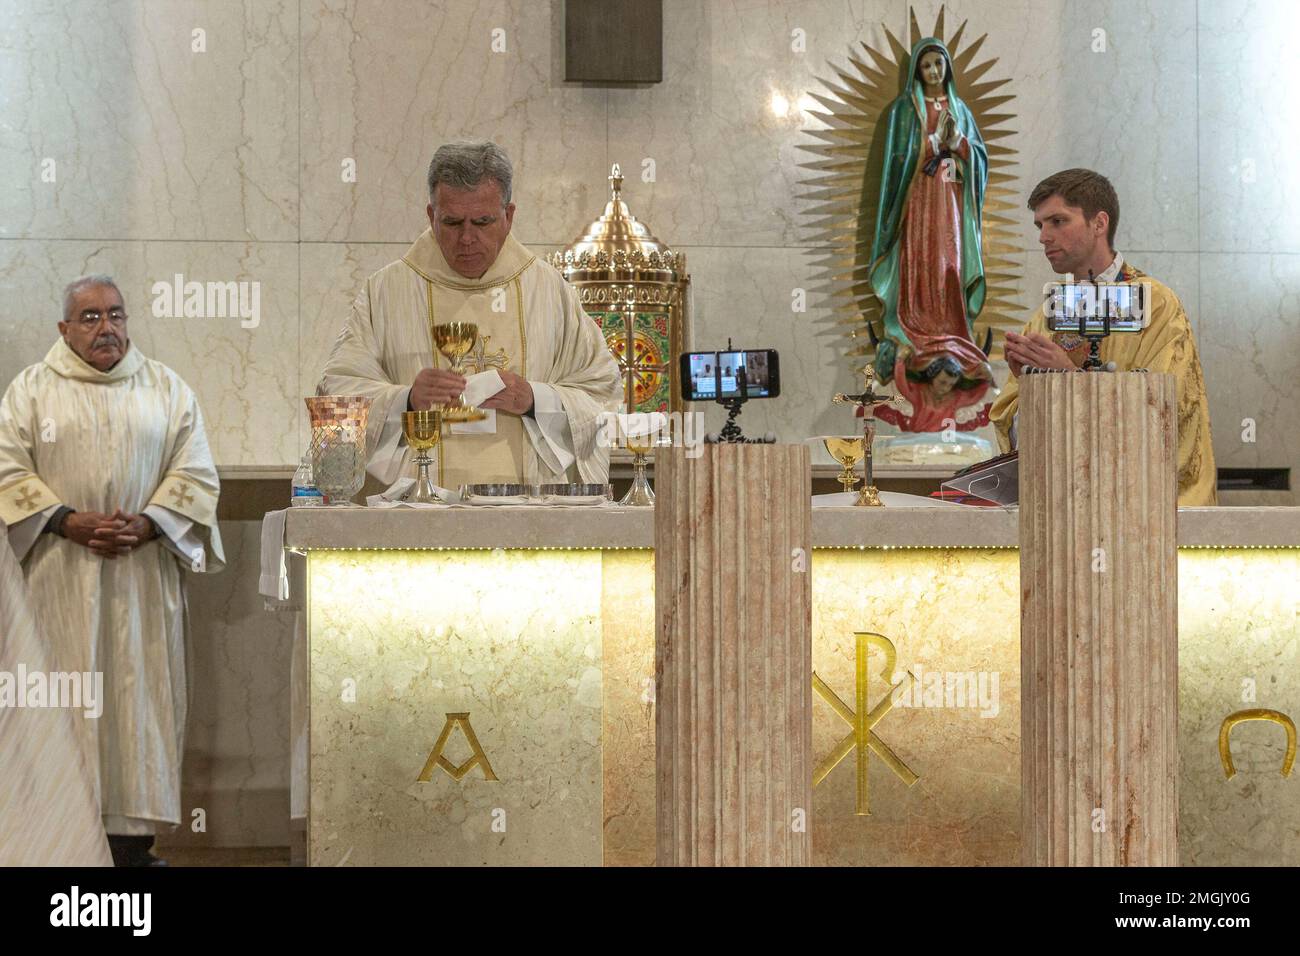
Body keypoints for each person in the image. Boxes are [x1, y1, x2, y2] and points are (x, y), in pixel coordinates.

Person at [0, 275, 225, 865]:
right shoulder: (29, 392)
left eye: (117, 316)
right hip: (55, 580)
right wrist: (62, 520)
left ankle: (131, 849)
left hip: (140, 581)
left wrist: (150, 523)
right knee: (61, 709)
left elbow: (196, 473)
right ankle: (60, 842)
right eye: (92, 317)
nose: (108, 329)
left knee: (137, 711)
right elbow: (6, 471)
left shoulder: (168, 389)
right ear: (64, 329)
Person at [319, 141, 622, 489]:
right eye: (452, 222)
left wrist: (535, 398)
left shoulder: (548, 290)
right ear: (431, 216)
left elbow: (603, 392)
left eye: (482, 221)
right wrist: (408, 400)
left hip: (530, 516)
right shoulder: (386, 291)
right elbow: (336, 397)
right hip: (417, 518)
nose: (466, 238)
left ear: (508, 216)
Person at [989, 169, 1217, 505]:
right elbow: (1010, 421)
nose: (1043, 237)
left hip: (1140, 510)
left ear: (1099, 224)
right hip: (1063, 507)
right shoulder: (1048, 316)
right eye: (1040, 226)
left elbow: (1166, 413)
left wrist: (1069, 379)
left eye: (1058, 221)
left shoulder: (1155, 304)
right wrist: (1031, 386)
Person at [865, 37, 993, 434]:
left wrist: (959, 145)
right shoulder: (907, 111)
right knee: (920, 264)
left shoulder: (961, 110)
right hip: (918, 203)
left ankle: (952, 330)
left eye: (939, 65)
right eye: (927, 66)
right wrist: (929, 145)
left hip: (951, 206)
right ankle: (917, 326)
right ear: (917, 72)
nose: (934, 72)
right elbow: (896, 163)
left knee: (950, 264)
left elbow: (980, 161)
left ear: (948, 68)